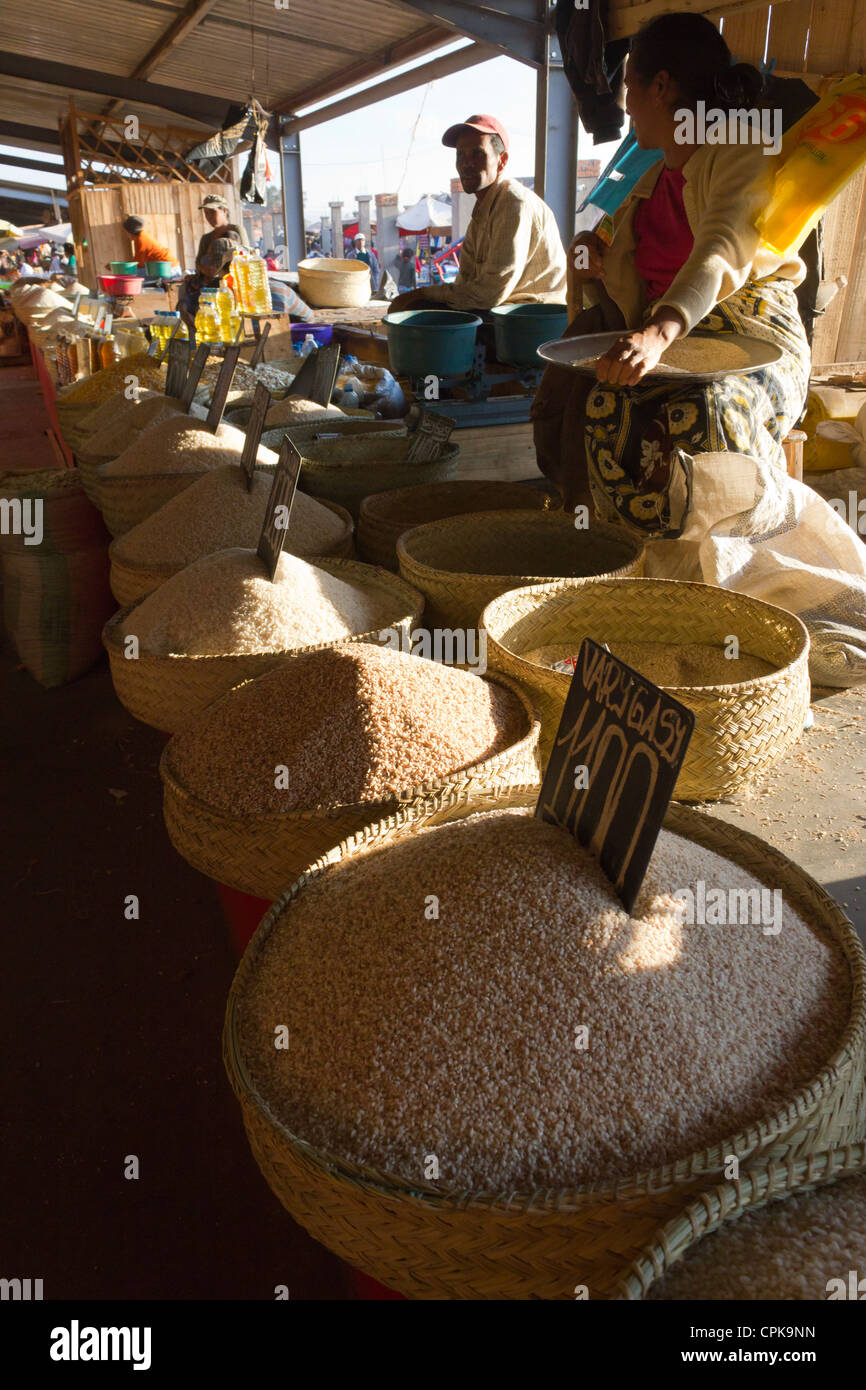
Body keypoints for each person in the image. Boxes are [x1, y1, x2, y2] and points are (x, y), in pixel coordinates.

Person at [531, 12, 810, 529]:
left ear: (660, 86)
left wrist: (658, 332)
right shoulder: (653, 175)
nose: (624, 103)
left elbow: (721, 248)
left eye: (629, 83)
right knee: (600, 408)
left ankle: (727, 567)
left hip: (753, 338)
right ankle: (629, 565)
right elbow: (626, 259)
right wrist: (597, 252)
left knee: (705, 412)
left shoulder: (741, 147)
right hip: (673, 346)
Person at [390, 115, 566, 314]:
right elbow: (465, 283)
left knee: (415, 310)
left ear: (502, 161)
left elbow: (489, 294)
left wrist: (421, 294)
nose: (466, 163)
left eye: (478, 154)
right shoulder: (482, 211)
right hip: (500, 315)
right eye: (461, 155)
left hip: (530, 320)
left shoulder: (513, 203)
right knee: (412, 310)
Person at [177, 194, 245, 334]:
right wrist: (206, 270)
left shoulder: (235, 231)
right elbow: (198, 264)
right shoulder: (206, 238)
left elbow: (245, 256)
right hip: (208, 280)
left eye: (212, 212)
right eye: (206, 213)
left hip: (228, 280)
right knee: (183, 302)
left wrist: (218, 270)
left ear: (224, 211)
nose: (209, 217)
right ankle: (196, 333)